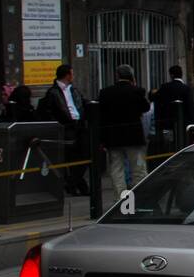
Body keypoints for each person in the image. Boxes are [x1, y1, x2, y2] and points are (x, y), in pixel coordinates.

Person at [97, 64, 151, 198]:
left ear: (117, 76)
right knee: (138, 169)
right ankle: (140, 197)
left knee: (116, 170)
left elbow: (100, 115)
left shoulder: (105, 92)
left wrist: (102, 138)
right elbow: (145, 107)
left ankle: (120, 199)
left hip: (113, 137)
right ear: (132, 76)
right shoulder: (137, 91)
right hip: (134, 137)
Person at [39, 64, 89, 196]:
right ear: (67, 75)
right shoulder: (53, 92)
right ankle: (77, 186)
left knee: (84, 156)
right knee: (70, 157)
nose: (73, 76)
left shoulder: (74, 90)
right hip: (67, 127)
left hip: (79, 126)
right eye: (72, 73)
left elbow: (83, 103)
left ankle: (73, 183)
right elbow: (49, 112)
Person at [152, 65, 194, 147]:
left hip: (167, 124)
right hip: (183, 124)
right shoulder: (186, 88)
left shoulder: (165, 87)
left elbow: (155, 99)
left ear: (171, 75)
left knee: (169, 147)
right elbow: (190, 107)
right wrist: (193, 124)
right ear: (181, 74)